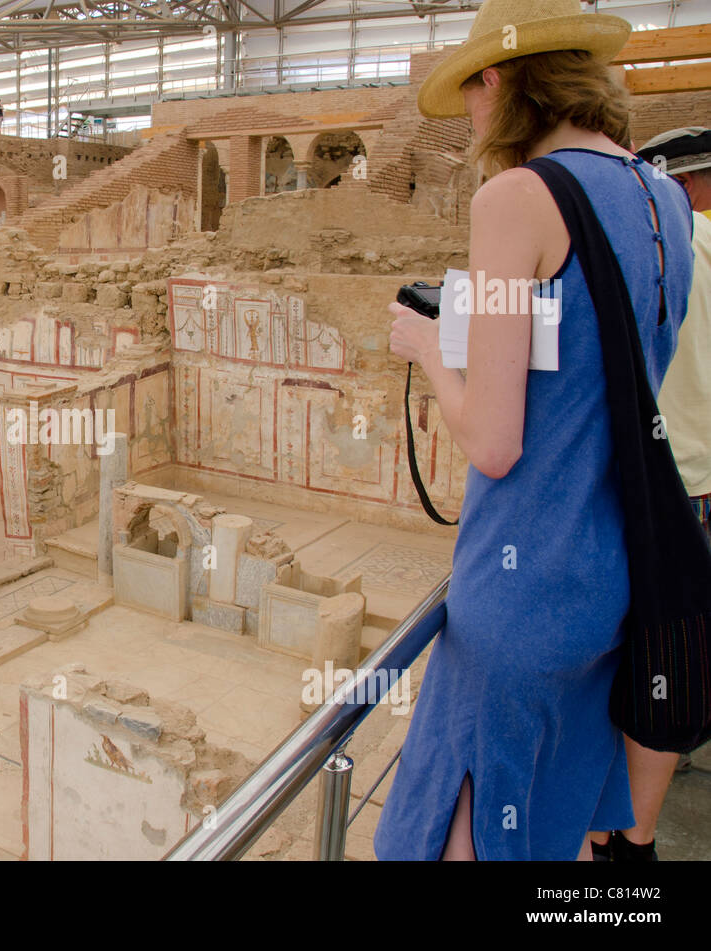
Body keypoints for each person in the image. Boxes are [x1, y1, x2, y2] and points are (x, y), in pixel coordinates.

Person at [374, 0, 694, 861]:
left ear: (496, 81)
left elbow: (495, 442)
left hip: (523, 581)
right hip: (609, 573)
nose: (474, 119)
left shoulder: (516, 198)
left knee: (468, 824)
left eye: (475, 93)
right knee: (555, 817)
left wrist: (432, 352)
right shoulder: (665, 196)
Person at [582, 127, 711, 862]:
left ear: (680, 189)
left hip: (659, 496)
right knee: (674, 675)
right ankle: (637, 837)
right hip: (700, 495)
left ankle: (609, 838)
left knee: (626, 677)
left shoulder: (667, 250)